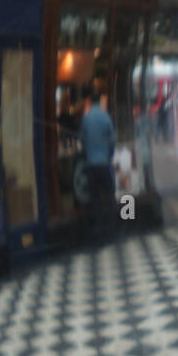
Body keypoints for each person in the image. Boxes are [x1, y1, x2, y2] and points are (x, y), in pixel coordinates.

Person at [79, 85, 117, 242]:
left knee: (95, 199)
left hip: (91, 165)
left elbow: (82, 140)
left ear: (89, 102)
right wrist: (109, 155)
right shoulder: (105, 116)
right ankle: (112, 229)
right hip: (104, 164)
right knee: (108, 196)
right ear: (99, 102)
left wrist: (87, 152)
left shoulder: (86, 118)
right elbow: (112, 140)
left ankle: (99, 230)